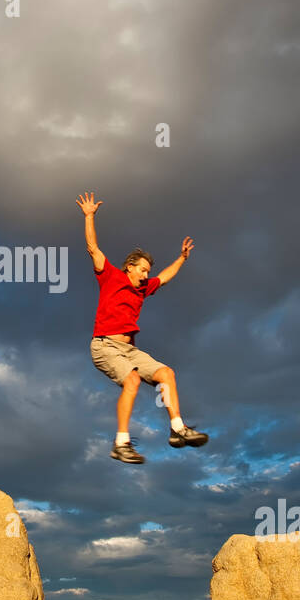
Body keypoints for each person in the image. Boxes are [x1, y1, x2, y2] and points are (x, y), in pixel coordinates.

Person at [77, 191, 209, 463]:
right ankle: (121, 443)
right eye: (143, 270)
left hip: (130, 350)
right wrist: (89, 216)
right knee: (133, 380)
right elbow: (93, 248)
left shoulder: (144, 289)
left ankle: (177, 430)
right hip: (105, 346)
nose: (147, 275)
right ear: (130, 268)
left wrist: (182, 258)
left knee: (166, 373)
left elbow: (165, 277)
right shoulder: (111, 276)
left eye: (148, 271)